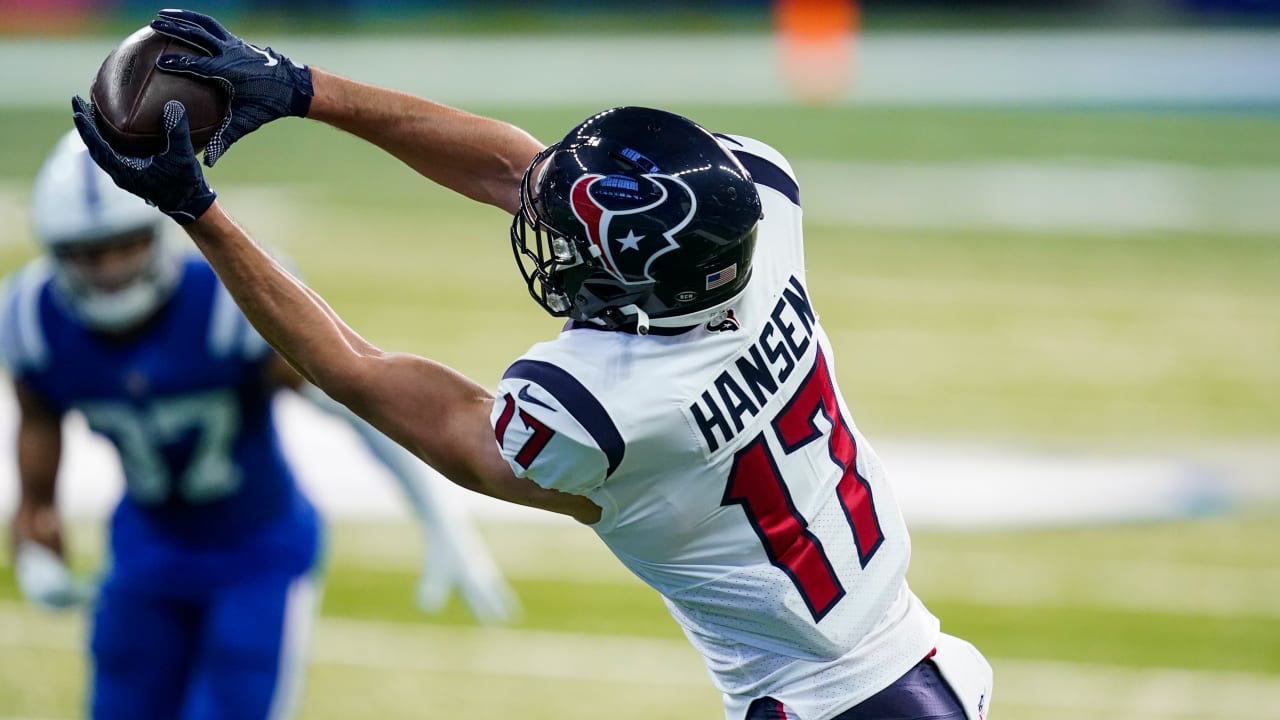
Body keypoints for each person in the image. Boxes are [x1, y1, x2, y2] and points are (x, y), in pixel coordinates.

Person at [71, 9, 994, 720]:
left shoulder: (613, 407)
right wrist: (297, 87)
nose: (552, 240)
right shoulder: (757, 223)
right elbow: (529, 173)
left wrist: (199, 213)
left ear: (643, 287)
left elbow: (362, 373)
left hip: (827, 703)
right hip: (915, 655)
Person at [2, 129, 518, 720]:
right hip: (144, 551)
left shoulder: (226, 302)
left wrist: (438, 519)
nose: (111, 267)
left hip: (257, 552)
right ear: (55, 251)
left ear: (153, 234)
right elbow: (36, 464)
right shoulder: (31, 323)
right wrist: (35, 549)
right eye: (89, 253)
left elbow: (359, 404)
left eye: (123, 245)